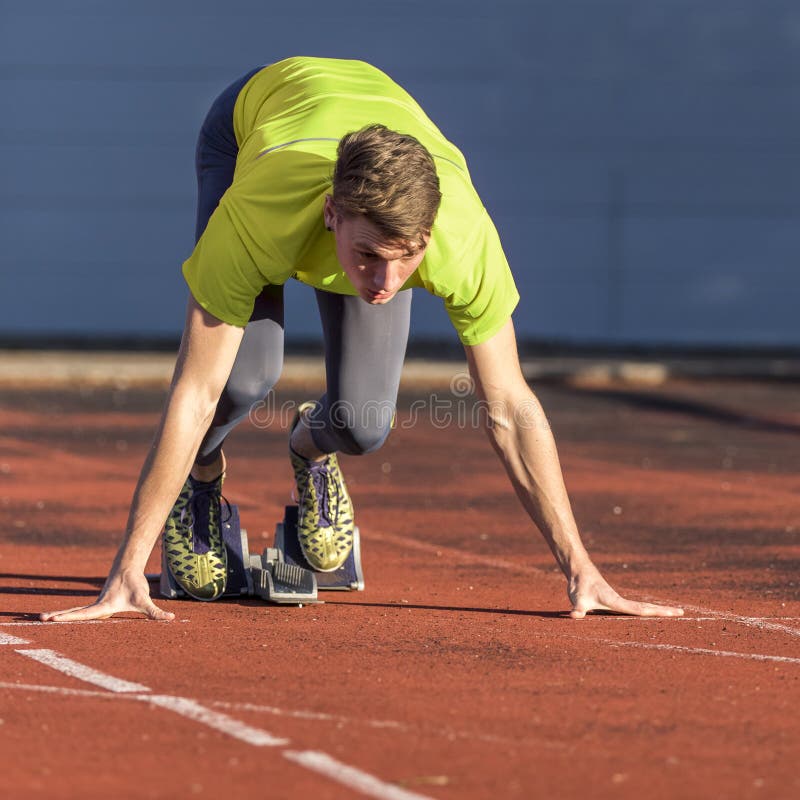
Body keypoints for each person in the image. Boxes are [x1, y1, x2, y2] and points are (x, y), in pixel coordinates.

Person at [41, 57, 682, 622]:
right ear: (332, 215)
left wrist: (580, 569)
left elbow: (511, 408)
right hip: (249, 131)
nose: (385, 282)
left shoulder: (462, 240)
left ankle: (308, 448)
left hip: (365, 139)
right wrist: (128, 568)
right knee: (240, 381)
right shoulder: (258, 212)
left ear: (428, 236)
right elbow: (194, 390)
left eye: (405, 259)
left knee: (363, 423)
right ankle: (201, 480)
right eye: (368, 256)